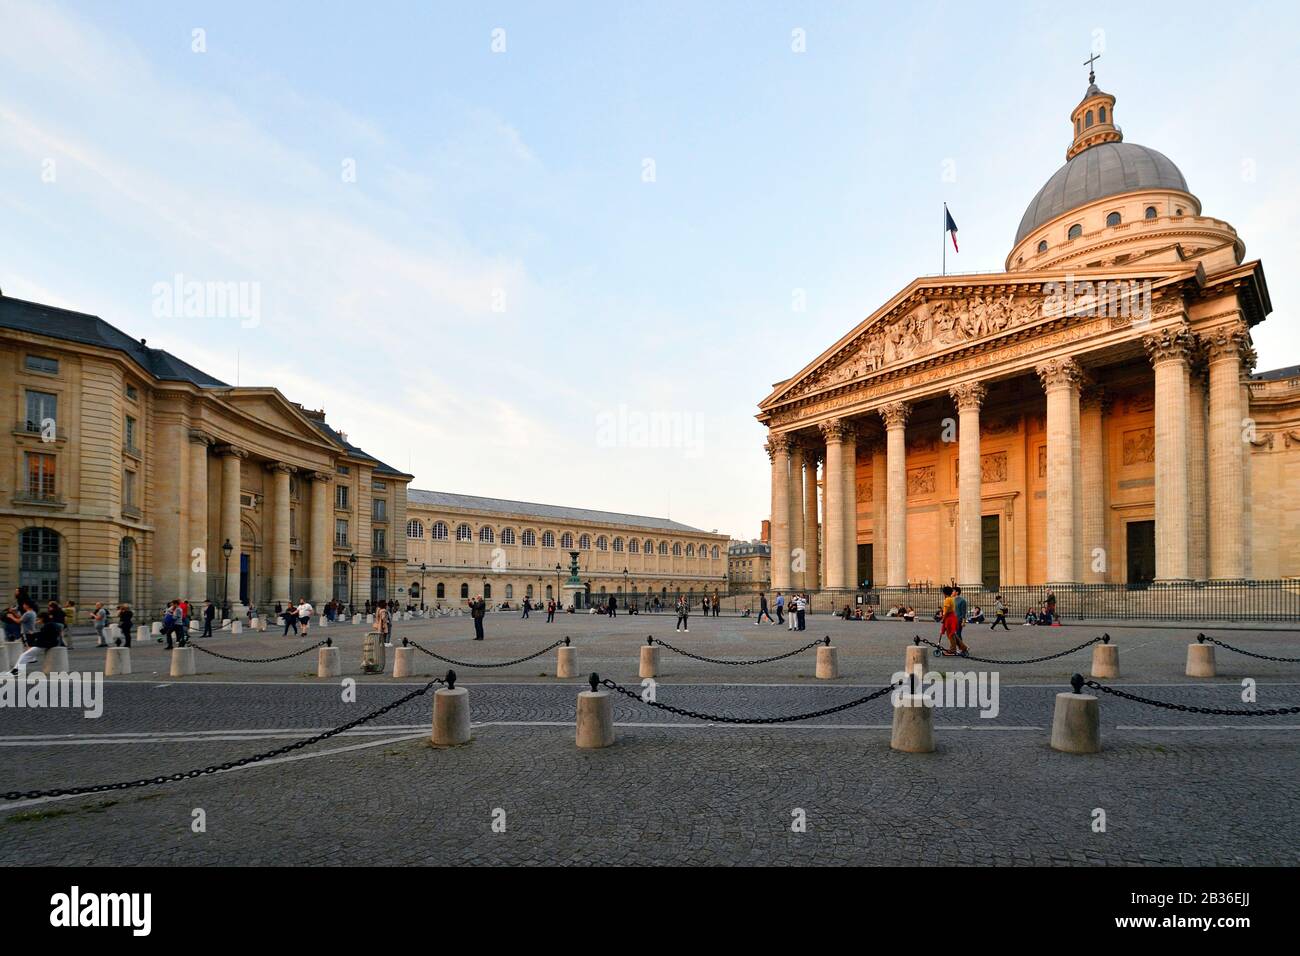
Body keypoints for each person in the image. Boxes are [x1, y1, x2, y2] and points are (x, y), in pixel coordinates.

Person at [9, 610, 61, 675]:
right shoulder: (52, 624)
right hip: (50, 643)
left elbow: (43, 635)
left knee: (24, 655)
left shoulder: (47, 625)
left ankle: (17, 671)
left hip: (44, 644)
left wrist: (33, 634)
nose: (38, 620)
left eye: (39, 618)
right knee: (26, 655)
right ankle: (18, 670)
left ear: (42, 618)